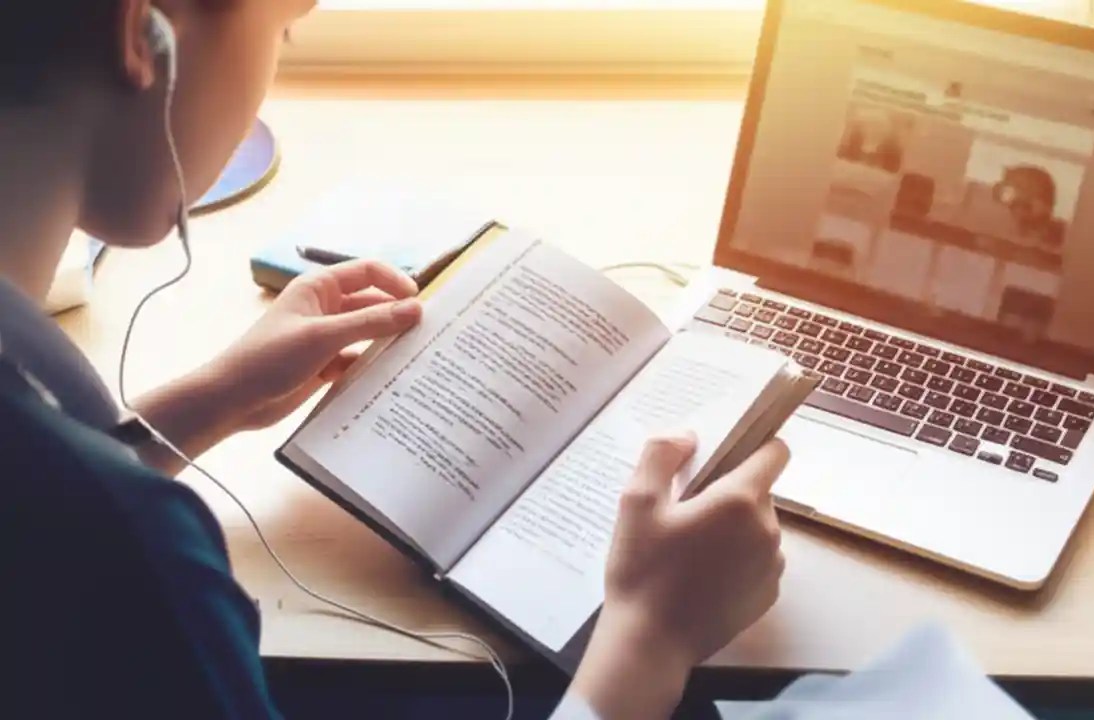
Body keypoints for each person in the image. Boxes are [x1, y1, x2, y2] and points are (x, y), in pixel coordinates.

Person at [0, 2, 790, 719]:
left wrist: (208, 402)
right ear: (145, 31)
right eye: (285, 28)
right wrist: (649, 641)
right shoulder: (132, 558)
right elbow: (70, 523)